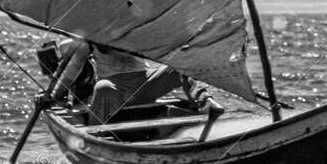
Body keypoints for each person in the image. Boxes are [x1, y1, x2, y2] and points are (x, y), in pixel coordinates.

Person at [38, 39, 222, 125]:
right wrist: (52, 96)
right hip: (114, 87)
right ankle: (94, 133)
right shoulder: (87, 41)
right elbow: (71, 73)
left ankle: (206, 103)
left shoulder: (132, 31)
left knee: (181, 67)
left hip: (145, 82)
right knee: (102, 87)